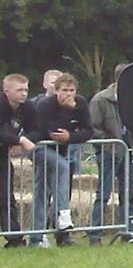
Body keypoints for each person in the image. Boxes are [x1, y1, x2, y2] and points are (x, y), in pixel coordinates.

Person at [26, 72, 92, 247]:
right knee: (60, 169)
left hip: (61, 150)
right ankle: (63, 216)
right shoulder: (45, 104)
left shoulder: (81, 103)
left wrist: (70, 136)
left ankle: (39, 236)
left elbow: (87, 131)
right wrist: (68, 112)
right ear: (57, 91)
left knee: (44, 188)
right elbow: (50, 131)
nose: (68, 94)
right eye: (64, 90)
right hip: (39, 147)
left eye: (71, 90)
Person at [88, 63, 133, 243]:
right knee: (104, 194)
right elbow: (93, 127)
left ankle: (127, 232)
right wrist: (109, 145)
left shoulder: (132, 99)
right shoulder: (100, 100)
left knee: (128, 194)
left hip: (128, 151)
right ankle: (96, 233)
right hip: (109, 152)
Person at [2, 74, 33, 249]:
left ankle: (14, 238)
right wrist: (18, 140)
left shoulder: (27, 107)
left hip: (3, 158)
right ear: (7, 91)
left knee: (6, 196)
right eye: (19, 90)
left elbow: (37, 129)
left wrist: (22, 138)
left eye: (26, 90)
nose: (24, 94)